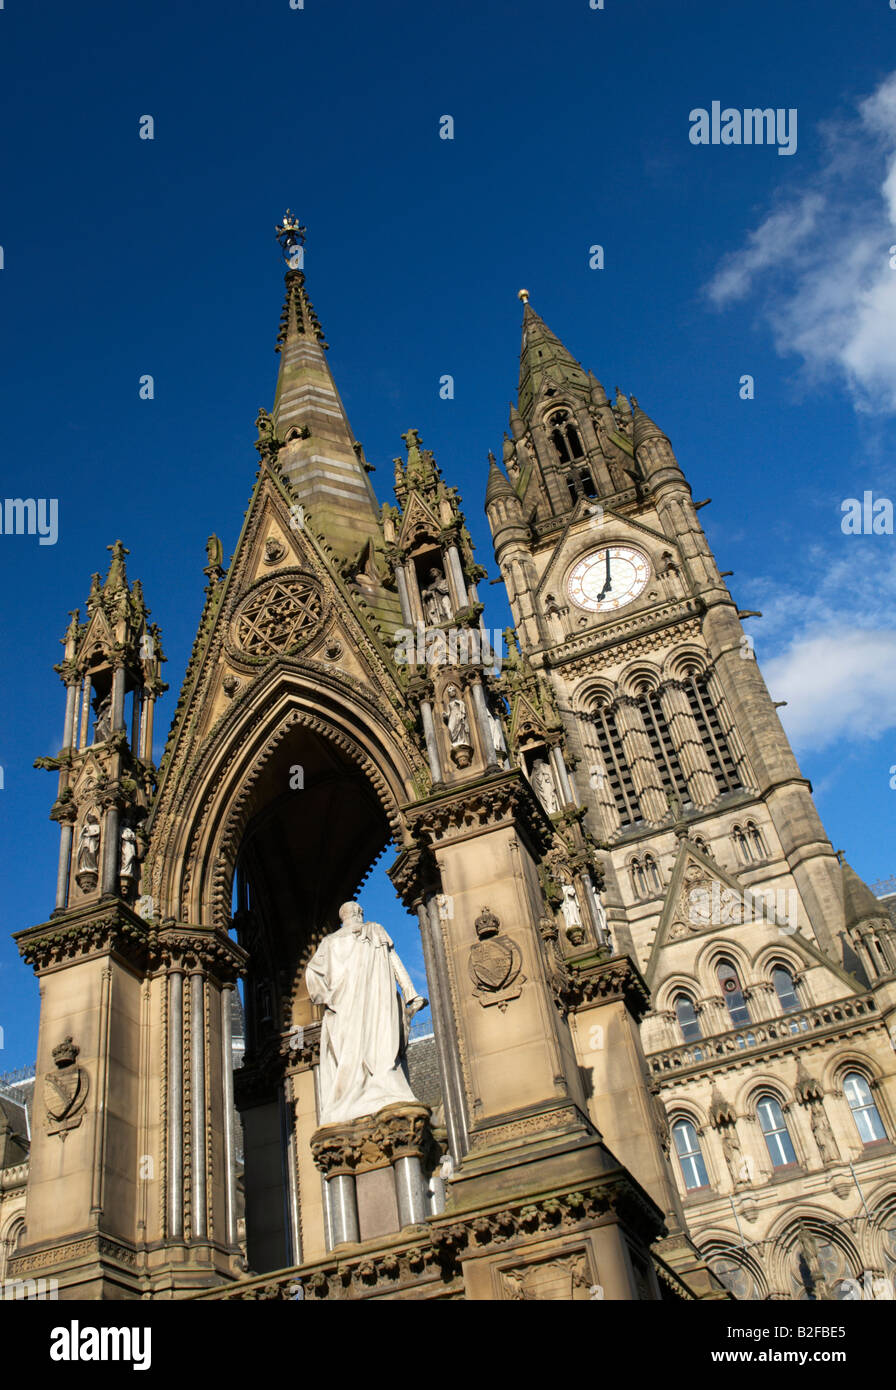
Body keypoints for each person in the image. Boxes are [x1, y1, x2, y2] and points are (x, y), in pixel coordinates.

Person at [306, 901, 427, 1126]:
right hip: (372, 1003)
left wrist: (327, 997)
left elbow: (312, 974)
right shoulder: (374, 930)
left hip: (345, 1007)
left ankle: (360, 1093)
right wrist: (411, 992)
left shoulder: (330, 943)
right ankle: (371, 1088)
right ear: (359, 912)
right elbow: (395, 963)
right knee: (376, 1044)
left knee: (351, 1053)